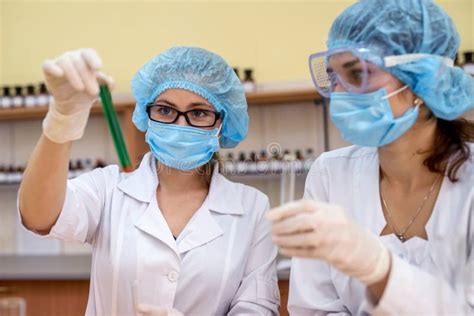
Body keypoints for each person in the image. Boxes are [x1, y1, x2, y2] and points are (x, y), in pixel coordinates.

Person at [18, 46, 280, 315]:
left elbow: (257, 308)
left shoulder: (252, 207)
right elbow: (38, 216)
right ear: (147, 114)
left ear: (221, 123)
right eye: (166, 110)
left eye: (199, 113)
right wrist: (62, 122)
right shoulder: (109, 188)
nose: (180, 125)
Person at [267, 0, 474, 314]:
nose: (339, 93)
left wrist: (380, 269)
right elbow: (314, 309)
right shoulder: (330, 174)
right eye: (333, 77)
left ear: (422, 78)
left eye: (358, 73)